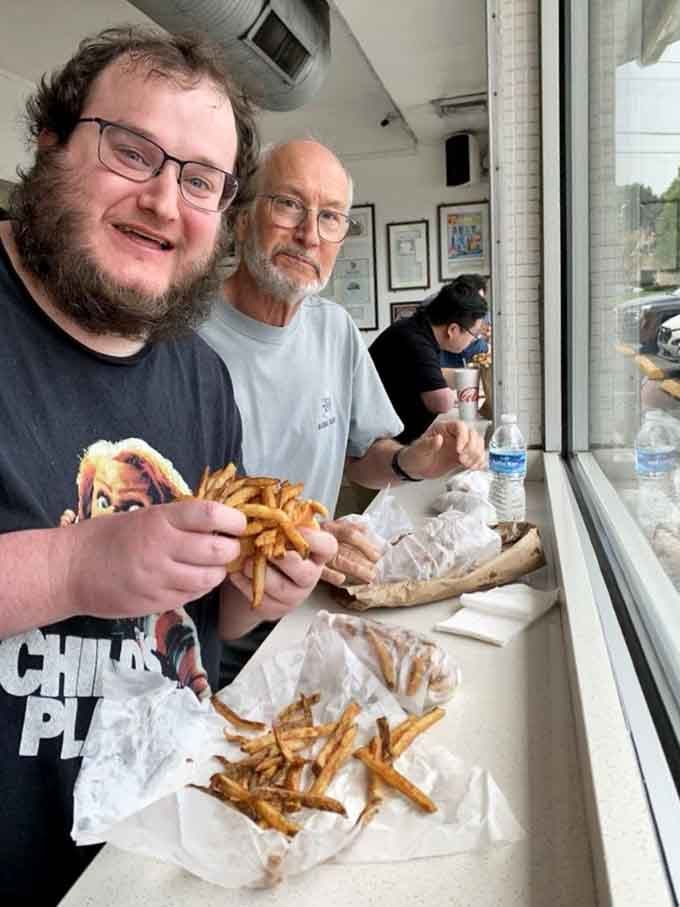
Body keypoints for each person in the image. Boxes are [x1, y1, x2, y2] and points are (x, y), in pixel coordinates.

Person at [0, 29, 337, 904]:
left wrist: (265, 585)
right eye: (132, 151)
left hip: (171, 854)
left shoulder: (200, 372)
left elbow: (207, 616)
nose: (163, 202)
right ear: (50, 145)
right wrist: (75, 564)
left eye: (199, 180)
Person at [199, 138, 486, 683]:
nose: (309, 234)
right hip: (208, 628)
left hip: (310, 607)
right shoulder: (182, 339)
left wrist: (411, 462)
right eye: (288, 205)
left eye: (330, 217)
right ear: (240, 219)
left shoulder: (334, 329)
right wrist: (292, 543)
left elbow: (363, 456)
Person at [369, 279, 488, 444]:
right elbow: (441, 403)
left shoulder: (418, 329)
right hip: (379, 448)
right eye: (473, 333)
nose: (474, 340)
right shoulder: (415, 340)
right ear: (453, 330)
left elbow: (432, 374)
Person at [438, 273, 490, 368]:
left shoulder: (484, 315)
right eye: (476, 301)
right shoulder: (446, 316)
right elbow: (463, 348)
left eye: (482, 300)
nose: (479, 305)